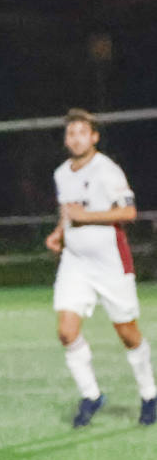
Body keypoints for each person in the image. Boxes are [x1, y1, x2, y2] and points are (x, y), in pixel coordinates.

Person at [44, 108, 156, 427]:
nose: (76, 138)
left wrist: (85, 218)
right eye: (71, 133)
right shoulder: (61, 173)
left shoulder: (108, 170)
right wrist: (58, 234)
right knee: (66, 332)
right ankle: (91, 395)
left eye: (82, 132)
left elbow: (129, 212)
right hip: (75, 262)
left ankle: (149, 394)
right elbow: (68, 212)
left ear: (94, 137)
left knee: (128, 334)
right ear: (66, 140)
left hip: (109, 261)